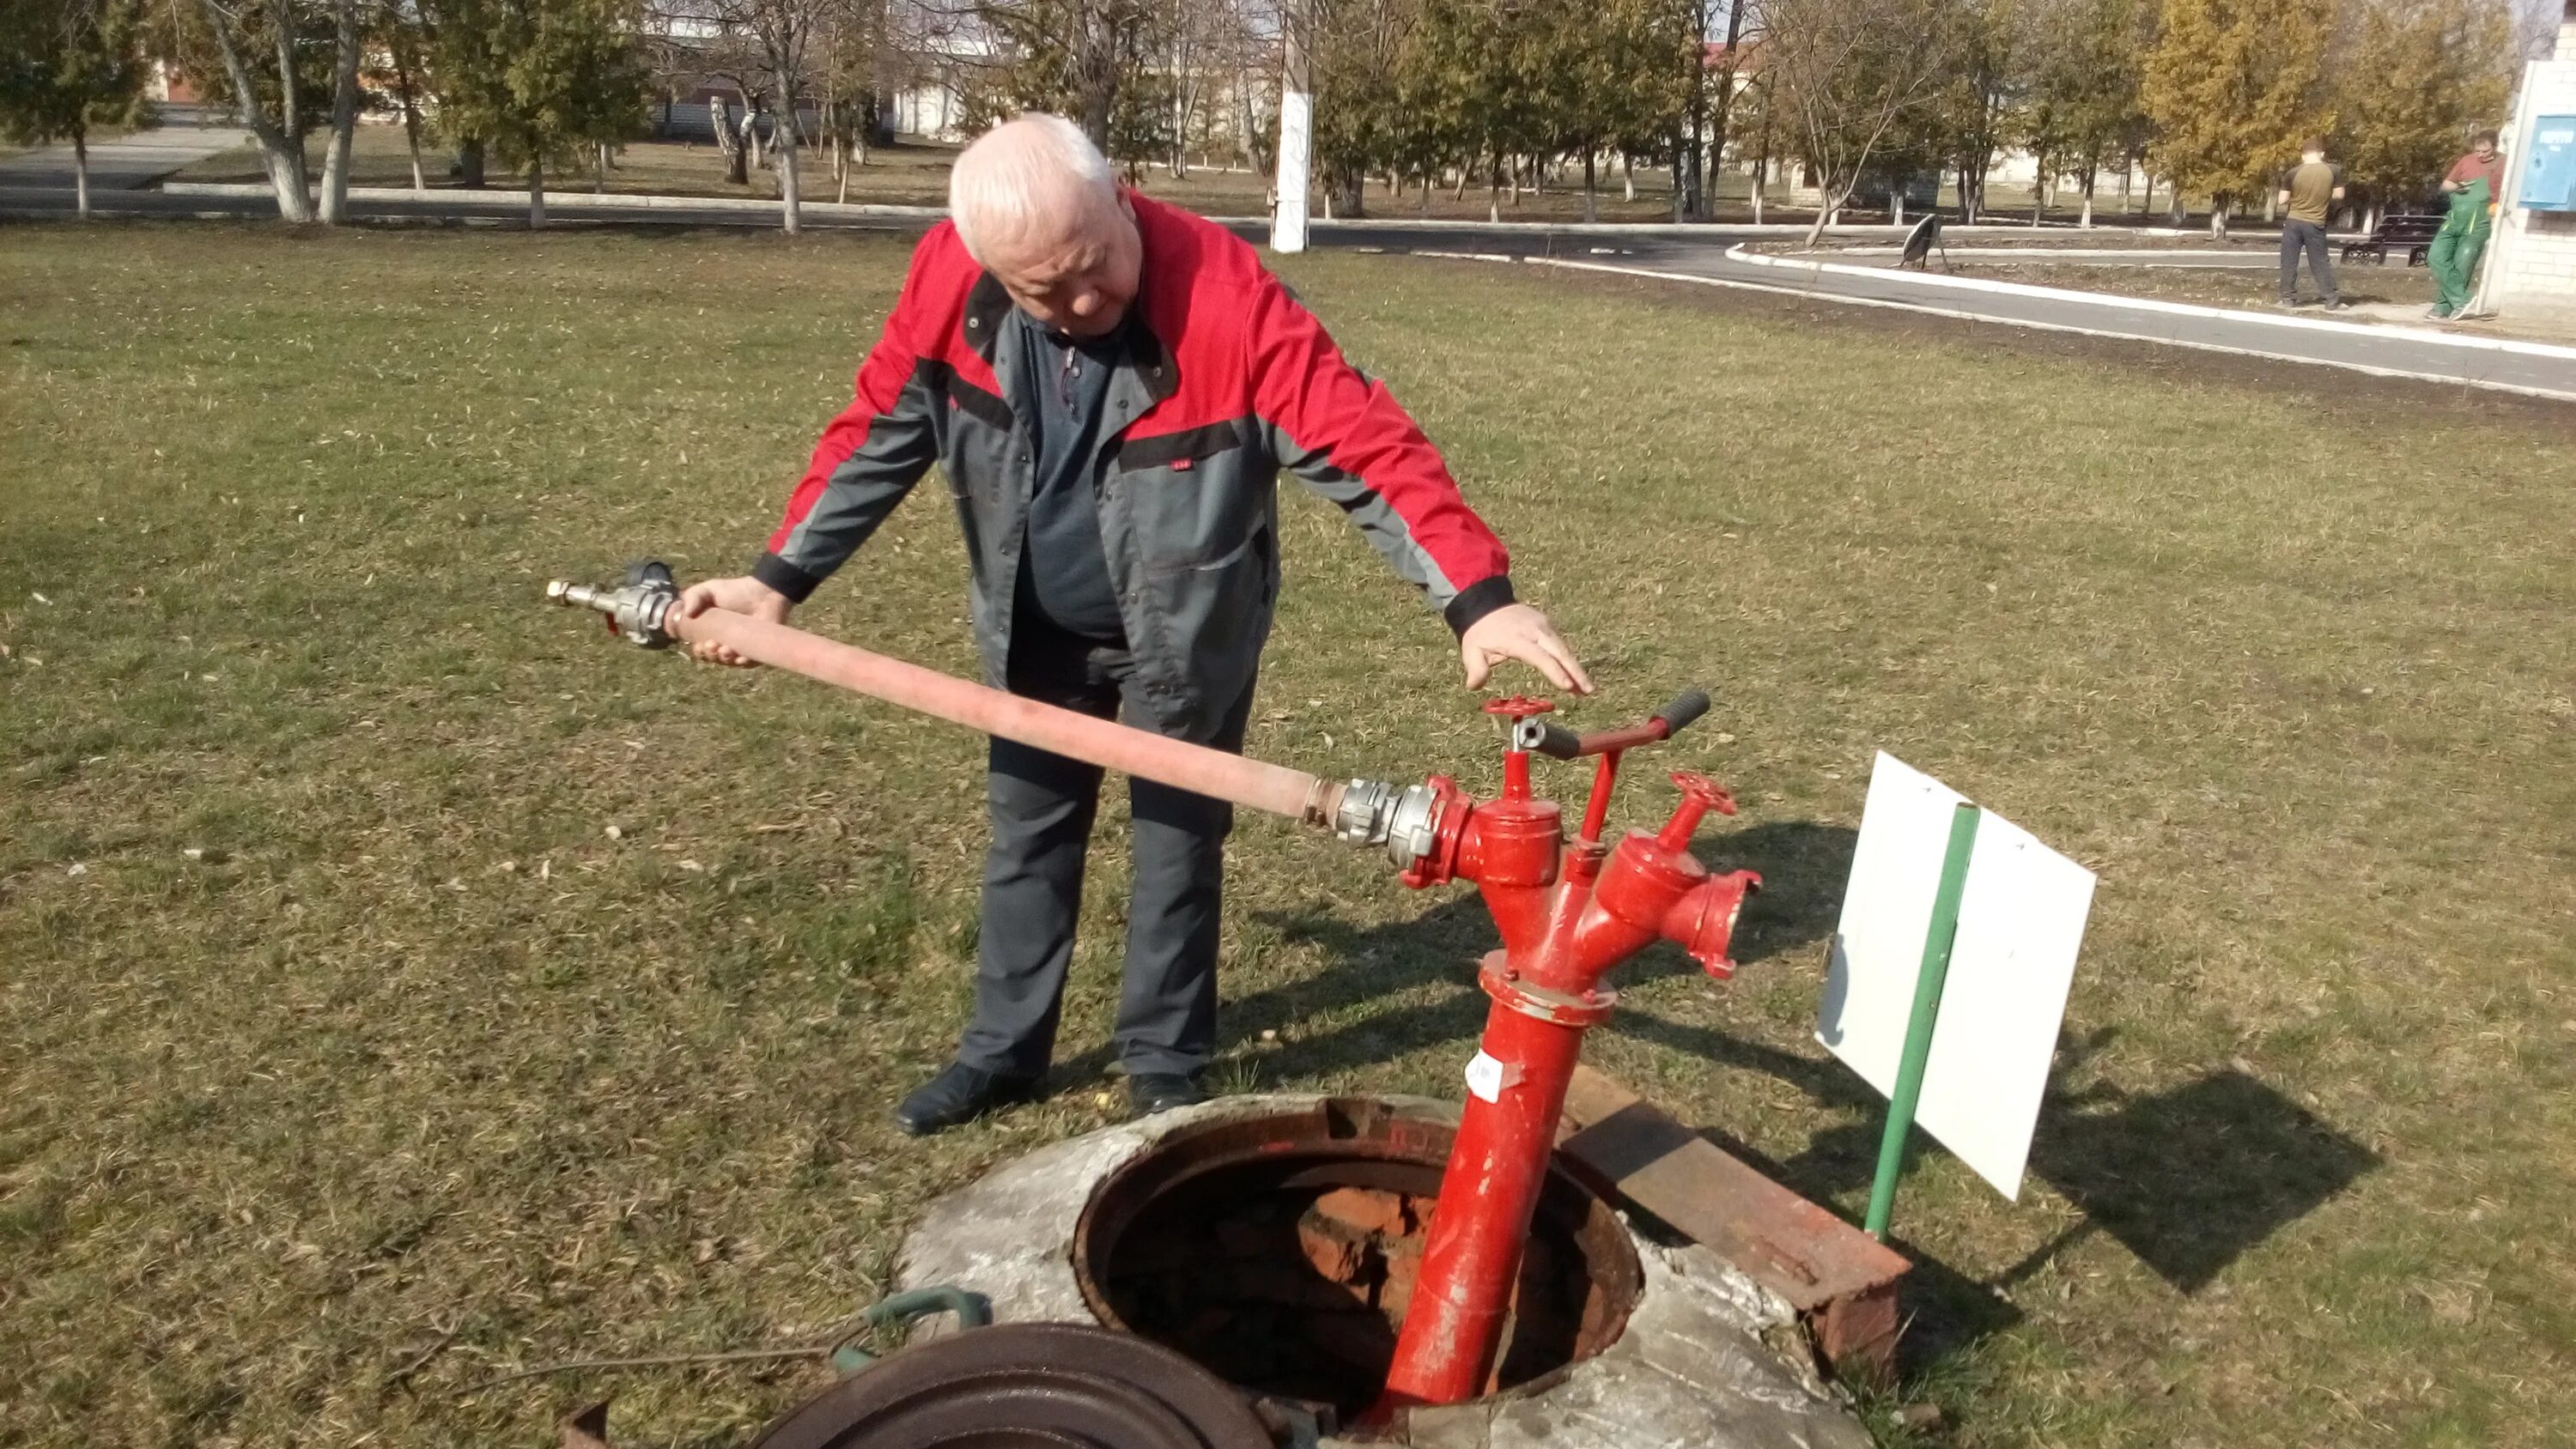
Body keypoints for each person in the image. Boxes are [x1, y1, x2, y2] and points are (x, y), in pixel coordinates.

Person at [669, 115, 1593, 1136]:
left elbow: (1364, 443)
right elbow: (879, 430)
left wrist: (1477, 596)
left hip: (1186, 631)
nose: (1079, 301)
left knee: (1177, 837)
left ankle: (1164, 1062)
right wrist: (777, 579)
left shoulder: (1228, 298)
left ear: (1123, 192)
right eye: (1041, 290)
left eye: (1092, 266)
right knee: (1028, 830)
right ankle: (1003, 1053)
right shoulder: (951, 283)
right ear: (989, 267)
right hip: (1035, 629)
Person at [2428, 129, 2506, 321]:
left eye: (2485, 151)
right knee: (2435, 257)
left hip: (2479, 221)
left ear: (2495, 147)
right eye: (2478, 150)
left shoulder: (2505, 163)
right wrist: (2456, 186)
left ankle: (2442, 307)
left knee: (2462, 264)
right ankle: (2464, 300)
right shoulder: (2466, 161)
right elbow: (2446, 184)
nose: (2480, 155)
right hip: (2455, 218)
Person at [2276, 140, 2348, 311]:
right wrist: (2322, 196)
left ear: (2303, 156)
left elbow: (2282, 200)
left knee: (2289, 261)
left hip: (2293, 221)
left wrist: (2298, 198)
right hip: (2316, 222)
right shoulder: (2333, 170)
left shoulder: (2292, 173)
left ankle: (2287, 299)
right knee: (2320, 262)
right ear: (2322, 154)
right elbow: (2339, 195)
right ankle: (2331, 300)